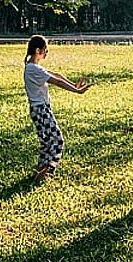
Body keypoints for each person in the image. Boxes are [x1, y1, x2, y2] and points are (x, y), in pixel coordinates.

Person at [23, 34, 92, 180]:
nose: (46, 52)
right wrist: (77, 91)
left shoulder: (34, 67)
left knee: (47, 142)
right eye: (45, 50)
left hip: (41, 109)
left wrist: (74, 85)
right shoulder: (33, 69)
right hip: (40, 110)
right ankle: (46, 172)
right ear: (37, 50)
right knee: (57, 141)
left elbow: (57, 75)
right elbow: (57, 82)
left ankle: (39, 172)